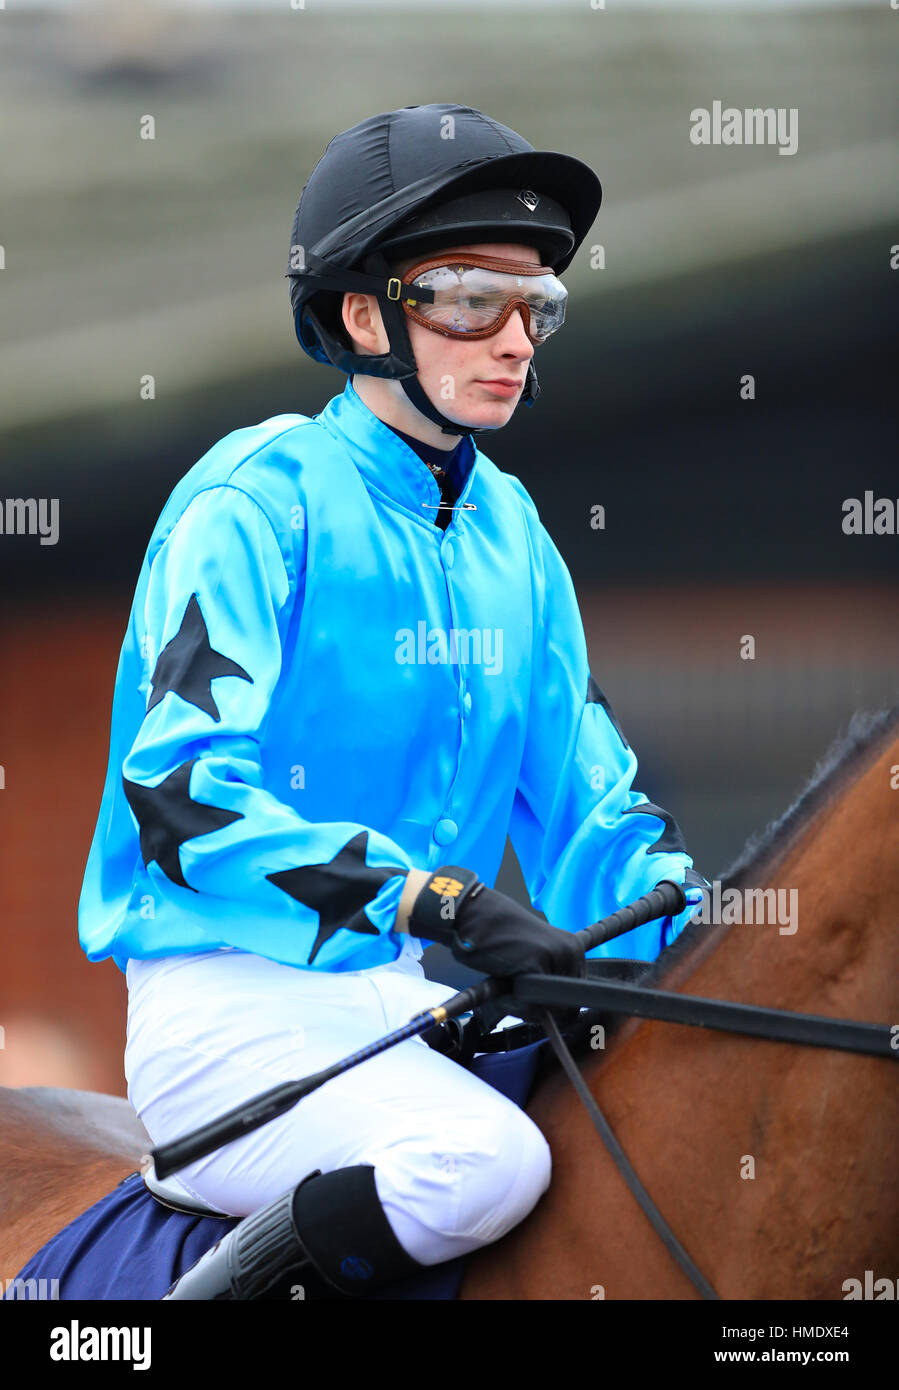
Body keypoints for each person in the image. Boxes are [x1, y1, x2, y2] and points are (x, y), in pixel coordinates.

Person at [78, 103, 709, 1299]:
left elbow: (592, 811)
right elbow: (179, 800)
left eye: (537, 307)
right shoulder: (254, 502)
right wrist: (432, 897)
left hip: (407, 1004)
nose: (515, 339)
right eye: (473, 298)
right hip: (227, 1003)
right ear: (363, 313)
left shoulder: (514, 533)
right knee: (480, 1164)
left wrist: (717, 951)